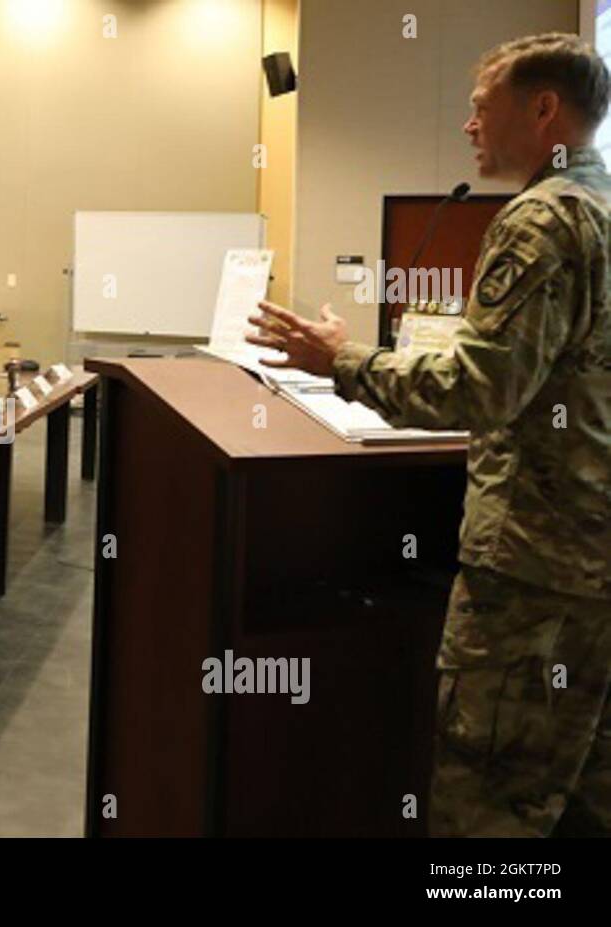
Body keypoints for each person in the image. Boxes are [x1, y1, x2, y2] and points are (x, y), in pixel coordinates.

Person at [246, 32, 611, 838]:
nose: (469, 127)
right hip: (595, 564)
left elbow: (477, 390)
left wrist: (337, 360)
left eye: (483, 108)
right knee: (581, 794)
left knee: (489, 800)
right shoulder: (604, 207)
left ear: (544, 108)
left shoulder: (541, 220)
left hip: (533, 566)